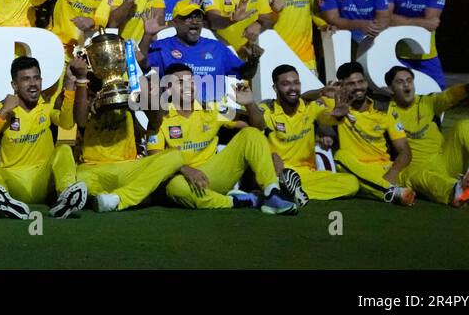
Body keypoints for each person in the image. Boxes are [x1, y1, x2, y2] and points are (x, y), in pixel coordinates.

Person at [148, 64, 299, 213]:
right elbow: (155, 161)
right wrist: (184, 168)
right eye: (181, 82)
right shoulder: (159, 119)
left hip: (216, 174)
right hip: (186, 180)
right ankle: (242, 201)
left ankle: (272, 192)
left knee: (251, 133)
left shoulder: (212, 109)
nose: (188, 86)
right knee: (175, 187)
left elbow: (258, 126)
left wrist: (250, 104)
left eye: (191, 81)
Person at [385, 63, 469, 205]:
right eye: (400, 82)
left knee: (464, 125)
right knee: (419, 176)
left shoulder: (427, 101)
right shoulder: (386, 111)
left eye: (409, 80)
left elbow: (448, 96)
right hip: (415, 168)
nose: (406, 86)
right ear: (390, 89)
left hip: (444, 160)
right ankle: (460, 190)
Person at [0, 56, 89, 220]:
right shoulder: (3, 108)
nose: (33, 84)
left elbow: (67, 123)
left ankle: (66, 195)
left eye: (36, 78)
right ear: (14, 85)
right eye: (26, 79)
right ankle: (6, 203)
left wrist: (70, 86)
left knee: (64, 149)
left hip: (42, 181)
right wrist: (2, 115)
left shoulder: (47, 105)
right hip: (14, 183)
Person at [68, 58, 185, 212]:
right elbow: (81, 121)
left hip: (128, 168)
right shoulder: (83, 91)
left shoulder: (128, 90)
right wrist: (82, 80)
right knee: (80, 179)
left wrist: (147, 95)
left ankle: (118, 198)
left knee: (175, 157)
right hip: (93, 170)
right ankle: (132, 195)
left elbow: (155, 122)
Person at [245, 64, 358, 206]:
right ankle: (282, 189)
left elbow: (328, 117)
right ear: (275, 88)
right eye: (286, 84)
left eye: (296, 83)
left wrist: (339, 115)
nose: (292, 88)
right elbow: (257, 123)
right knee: (271, 180)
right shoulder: (267, 108)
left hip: (308, 174)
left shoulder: (310, 107)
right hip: (279, 174)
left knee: (351, 183)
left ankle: (286, 193)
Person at [324, 62, 415, 205]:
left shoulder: (383, 109)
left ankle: (456, 190)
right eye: (351, 84)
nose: (358, 87)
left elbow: (405, 151)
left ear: (366, 82)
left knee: (422, 175)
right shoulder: (334, 104)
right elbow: (302, 98)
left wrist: (391, 175)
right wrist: (323, 91)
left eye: (361, 82)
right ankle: (392, 192)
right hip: (357, 169)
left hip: (386, 168)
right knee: (340, 156)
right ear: (341, 87)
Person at [141, 0, 248, 104]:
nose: (194, 21)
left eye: (198, 17)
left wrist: (253, 60)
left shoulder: (216, 47)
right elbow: (140, 66)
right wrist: (147, 36)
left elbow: (245, 73)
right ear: (174, 22)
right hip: (178, 113)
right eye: (188, 17)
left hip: (214, 114)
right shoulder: (163, 47)